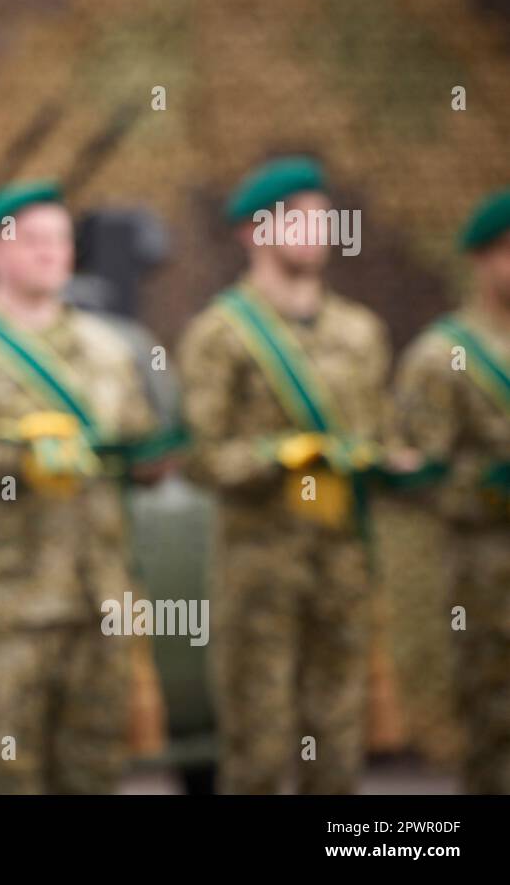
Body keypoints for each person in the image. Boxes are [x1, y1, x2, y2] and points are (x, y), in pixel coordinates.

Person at [0, 180, 164, 793]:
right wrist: (15, 451)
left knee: (96, 773)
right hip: (11, 604)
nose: (52, 252)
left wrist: (144, 456)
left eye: (62, 239)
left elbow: (143, 452)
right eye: (33, 239)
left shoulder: (107, 346)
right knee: (5, 773)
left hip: (100, 599)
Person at [177, 156, 393, 794]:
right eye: (296, 221)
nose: (315, 233)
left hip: (344, 564)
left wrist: (382, 459)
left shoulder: (361, 333)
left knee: (340, 744)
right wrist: (280, 455)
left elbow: (380, 437)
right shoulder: (221, 334)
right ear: (252, 232)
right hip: (260, 573)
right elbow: (202, 456)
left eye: (323, 220)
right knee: (259, 747)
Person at [393, 189, 510, 794]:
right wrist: (484, 484)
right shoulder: (444, 356)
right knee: (492, 721)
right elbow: (416, 473)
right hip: (485, 570)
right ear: (483, 259)